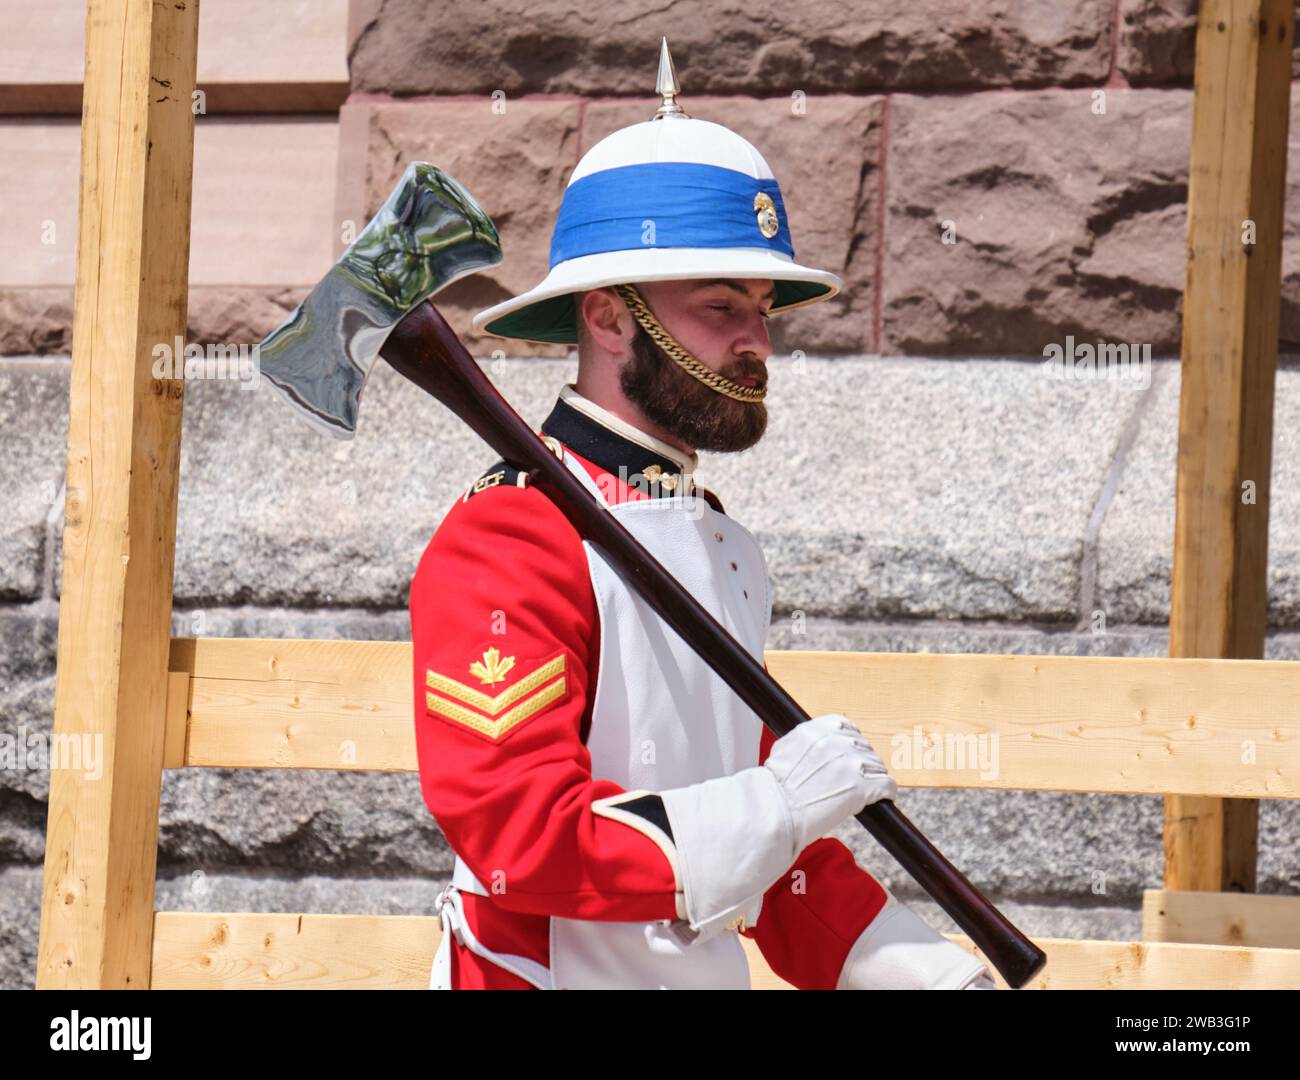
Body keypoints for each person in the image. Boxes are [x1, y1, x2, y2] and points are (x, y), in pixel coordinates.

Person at [408, 40, 997, 990]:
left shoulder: (718, 540)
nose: (757, 343)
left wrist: (925, 978)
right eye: (721, 306)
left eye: (763, 309)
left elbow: (778, 862)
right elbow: (520, 833)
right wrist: (772, 807)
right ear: (607, 320)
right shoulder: (513, 531)